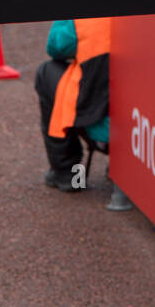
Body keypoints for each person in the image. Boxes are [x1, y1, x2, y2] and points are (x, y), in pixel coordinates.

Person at [34, 18, 110, 191]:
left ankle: (68, 173)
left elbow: (56, 47)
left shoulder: (85, 12)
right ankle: (122, 169)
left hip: (97, 122)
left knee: (46, 72)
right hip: (140, 129)